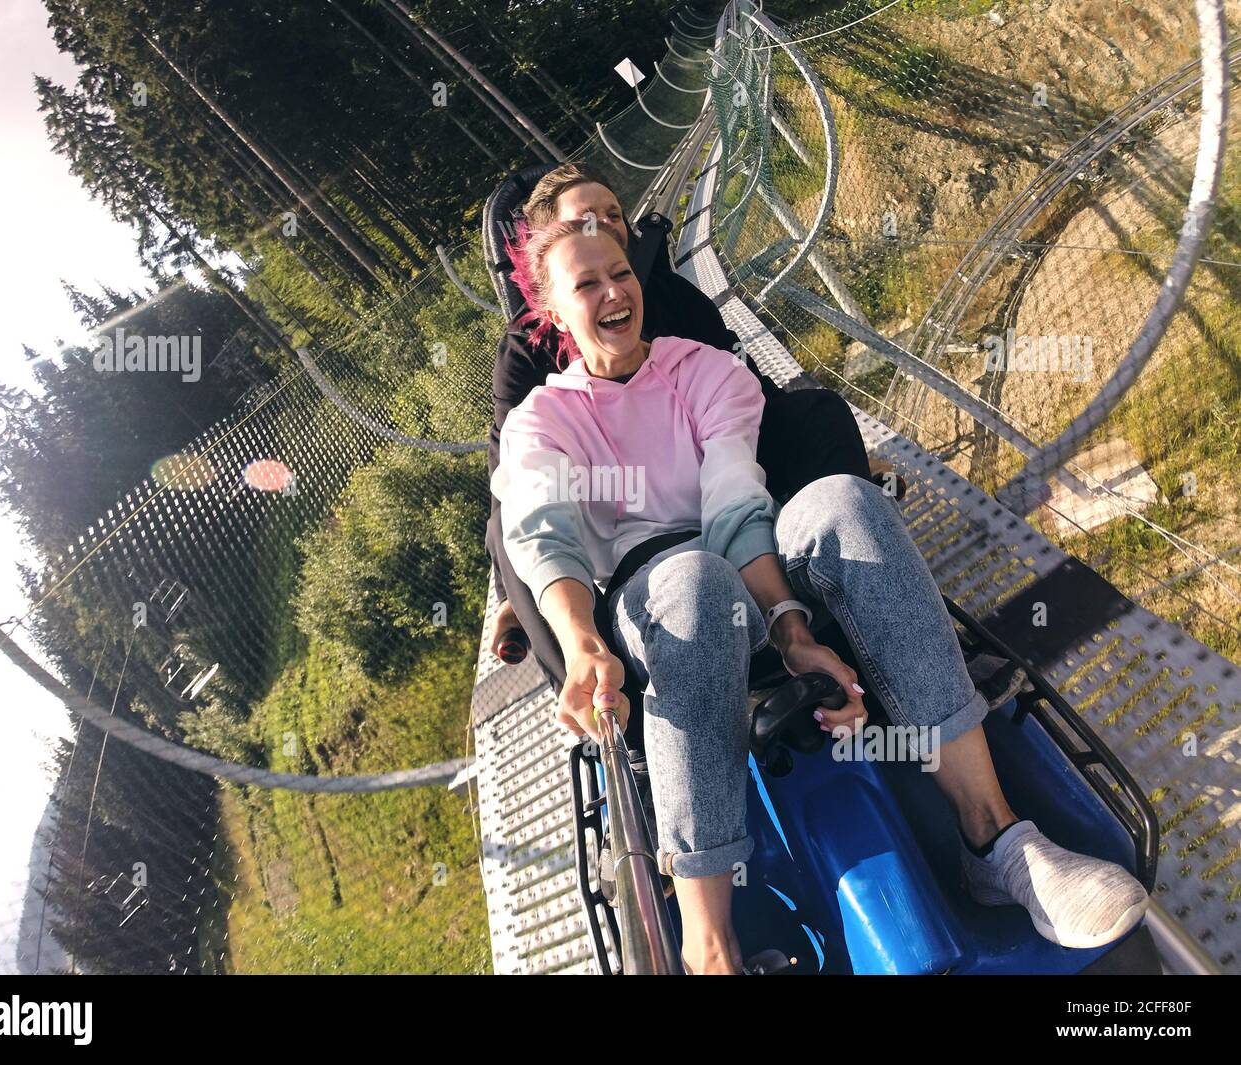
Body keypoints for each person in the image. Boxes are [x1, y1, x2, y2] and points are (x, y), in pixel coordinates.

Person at [489, 218, 1151, 975]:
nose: (615, 291)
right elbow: (544, 536)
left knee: (841, 499)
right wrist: (581, 643)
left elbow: (737, 502)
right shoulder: (545, 419)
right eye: (588, 283)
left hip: (748, 554)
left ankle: (997, 838)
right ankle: (710, 947)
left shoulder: (700, 368)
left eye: (622, 272)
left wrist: (790, 627)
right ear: (552, 313)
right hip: (656, 590)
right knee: (689, 581)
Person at [484, 162, 876, 713]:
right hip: (621, 529)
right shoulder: (528, 355)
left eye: (614, 215)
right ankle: (596, 695)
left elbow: (749, 386)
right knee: (510, 523)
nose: (604, 226)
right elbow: (516, 472)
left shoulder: (670, 295)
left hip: (725, 464)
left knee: (814, 411)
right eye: (585, 220)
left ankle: (861, 586)